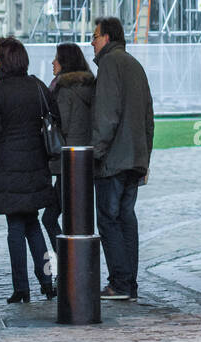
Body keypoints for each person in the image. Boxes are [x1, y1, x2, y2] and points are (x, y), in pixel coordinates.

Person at [0, 36, 58, 303]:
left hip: (8, 168)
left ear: (3, 63)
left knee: (15, 228)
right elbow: (54, 118)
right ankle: (47, 280)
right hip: (36, 165)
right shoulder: (37, 86)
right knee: (33, 225)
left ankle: (21, 287)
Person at [91, 16, 154, 301]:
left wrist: (96, 153)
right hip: (135, 158)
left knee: (108, 219)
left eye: (95, 36)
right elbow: (148, 117)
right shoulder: (135, 65)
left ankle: (120, 282)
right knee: (127, 219)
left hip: (114, 159)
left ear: (107, 37)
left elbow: (106, 116)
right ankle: (129, 282)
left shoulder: (109, 64)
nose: (91, 42)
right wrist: (145, 158)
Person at [41, 42, 95, 248]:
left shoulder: (63, 90)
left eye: (57, 58)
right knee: (75, 220)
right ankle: (71, 264)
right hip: (83, 161)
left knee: (50, 218)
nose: (53, 62)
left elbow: (59, 125)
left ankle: (68, 264)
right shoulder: (89, 87)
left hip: (67, 162)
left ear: (66, 62)